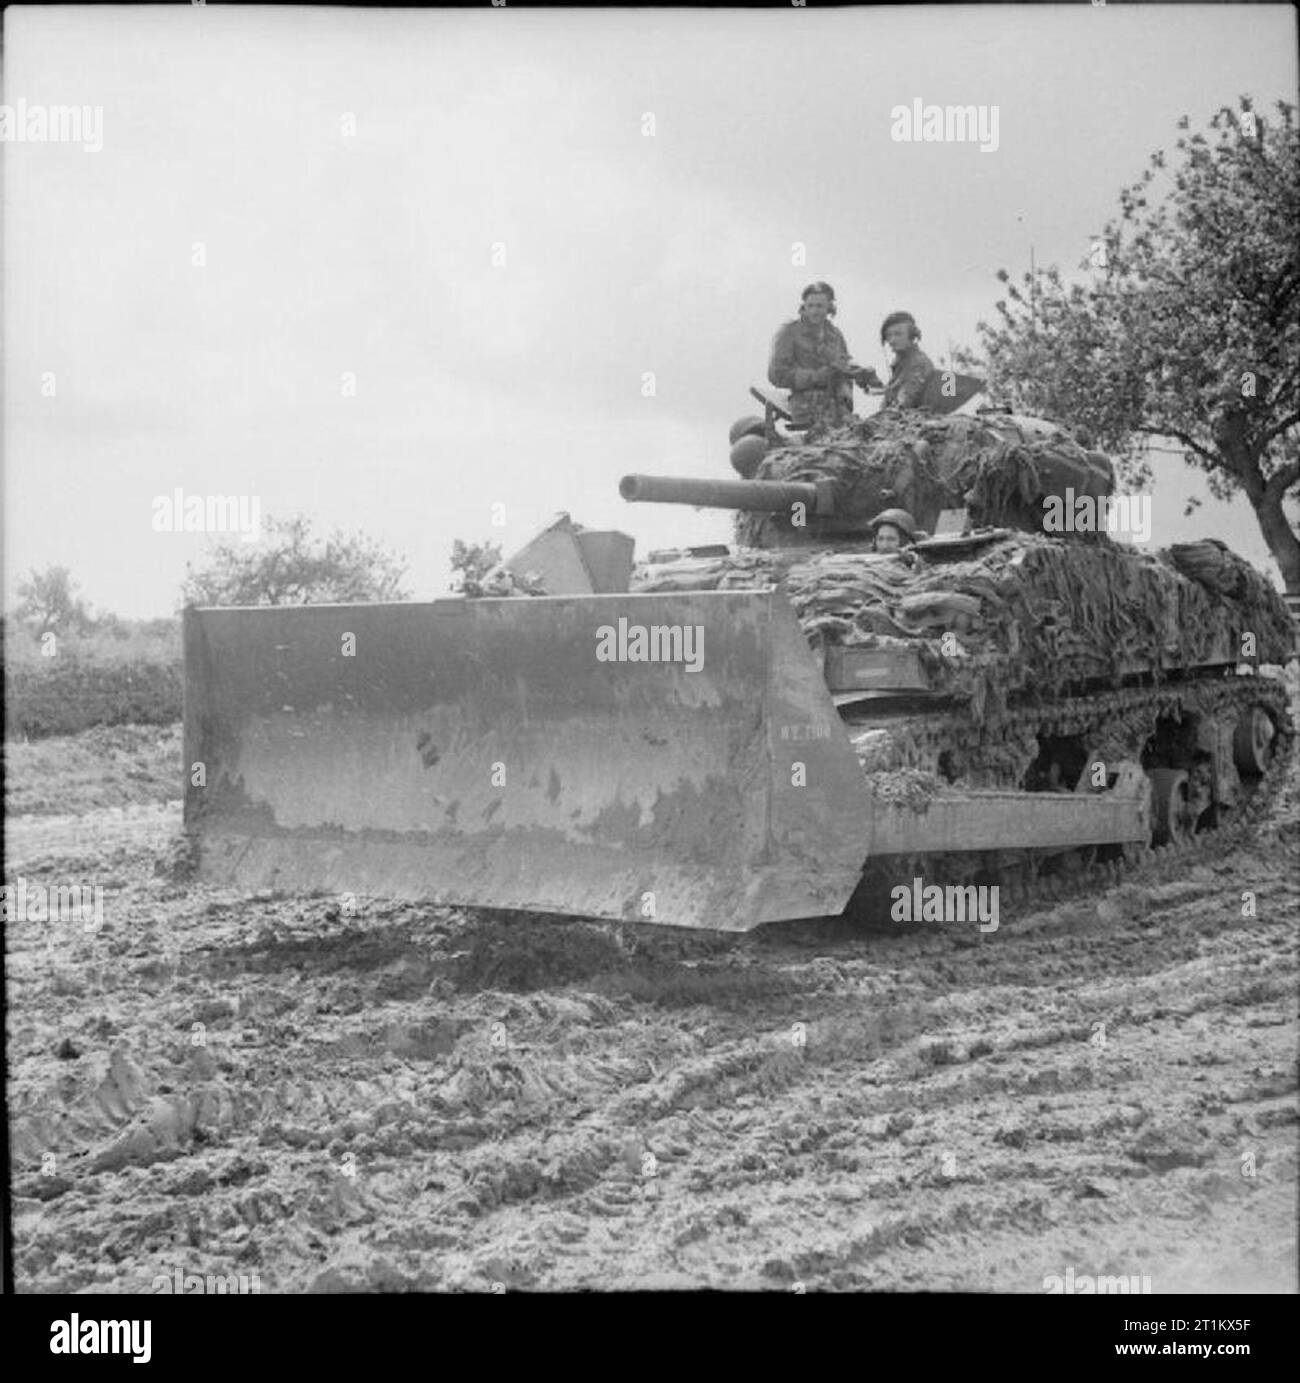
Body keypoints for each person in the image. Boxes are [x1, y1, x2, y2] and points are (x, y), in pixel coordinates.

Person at [768, 283, 879, 430]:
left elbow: (845, 363)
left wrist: (862, 374)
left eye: (819, 306)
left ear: (829, 308)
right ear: (804, 306)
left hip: (839, 408)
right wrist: (818, 376)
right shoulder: (790, 333)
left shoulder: (835, 335)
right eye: (810, 306)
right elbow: (777, 374)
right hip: (806, 407)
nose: (814, 311)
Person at [880, 311, 936, 410]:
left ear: (912, 336)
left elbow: (903, 403)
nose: (892, 340)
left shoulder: (918, 363)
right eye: (888, 336)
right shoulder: (900, 366)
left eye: (898, 334)